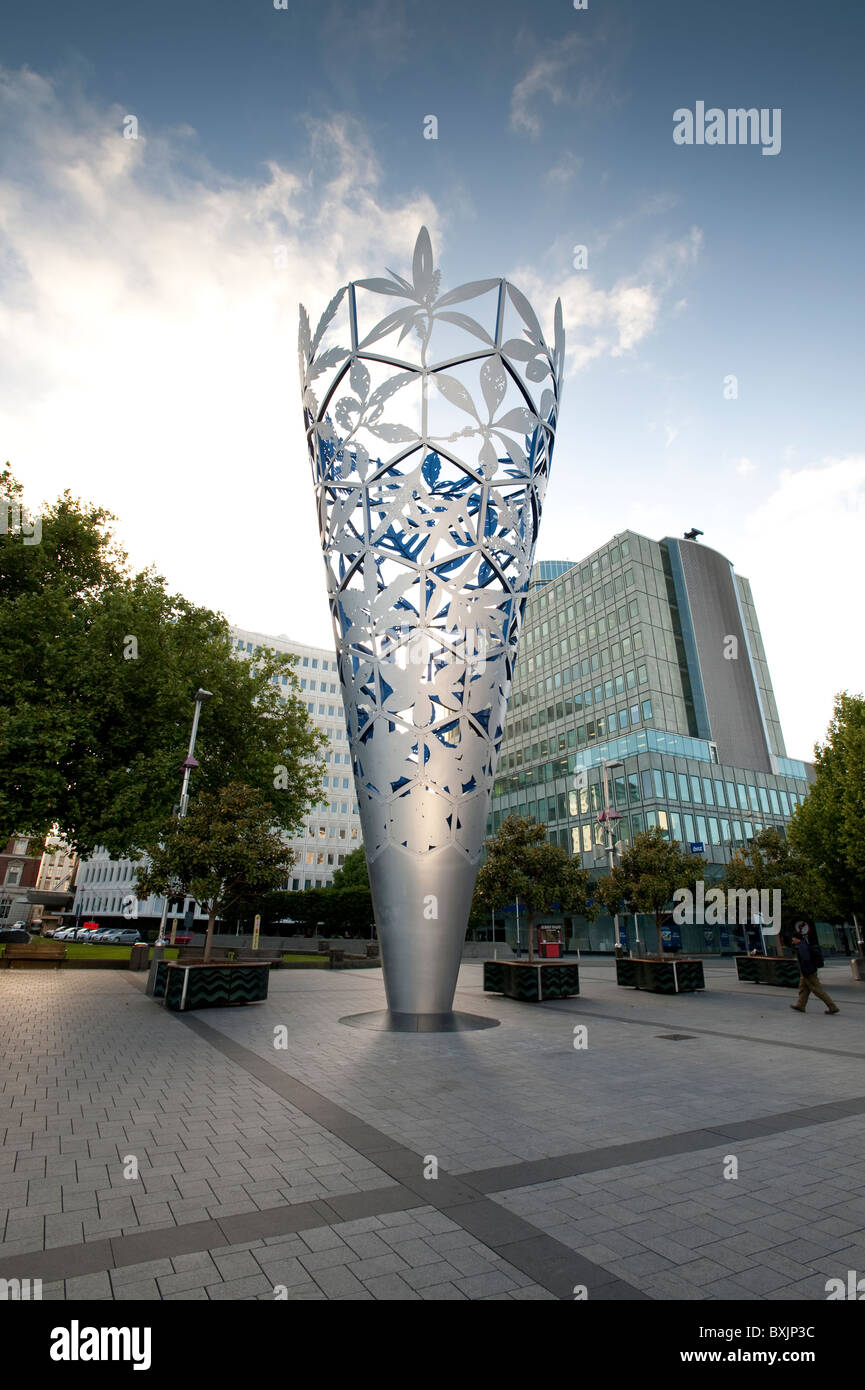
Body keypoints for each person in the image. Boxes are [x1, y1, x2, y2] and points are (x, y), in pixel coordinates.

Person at [789, 921, 839, 1014]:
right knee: (803, 989)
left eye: (793, 939)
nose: (792, 940)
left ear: (797, 939)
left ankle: (832, 1006)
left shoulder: (802, 947)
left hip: (808, 972)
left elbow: (806, 959)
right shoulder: (802, 945)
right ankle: (800, 1005)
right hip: (805, 972)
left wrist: (806, 970)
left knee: (817, 990)